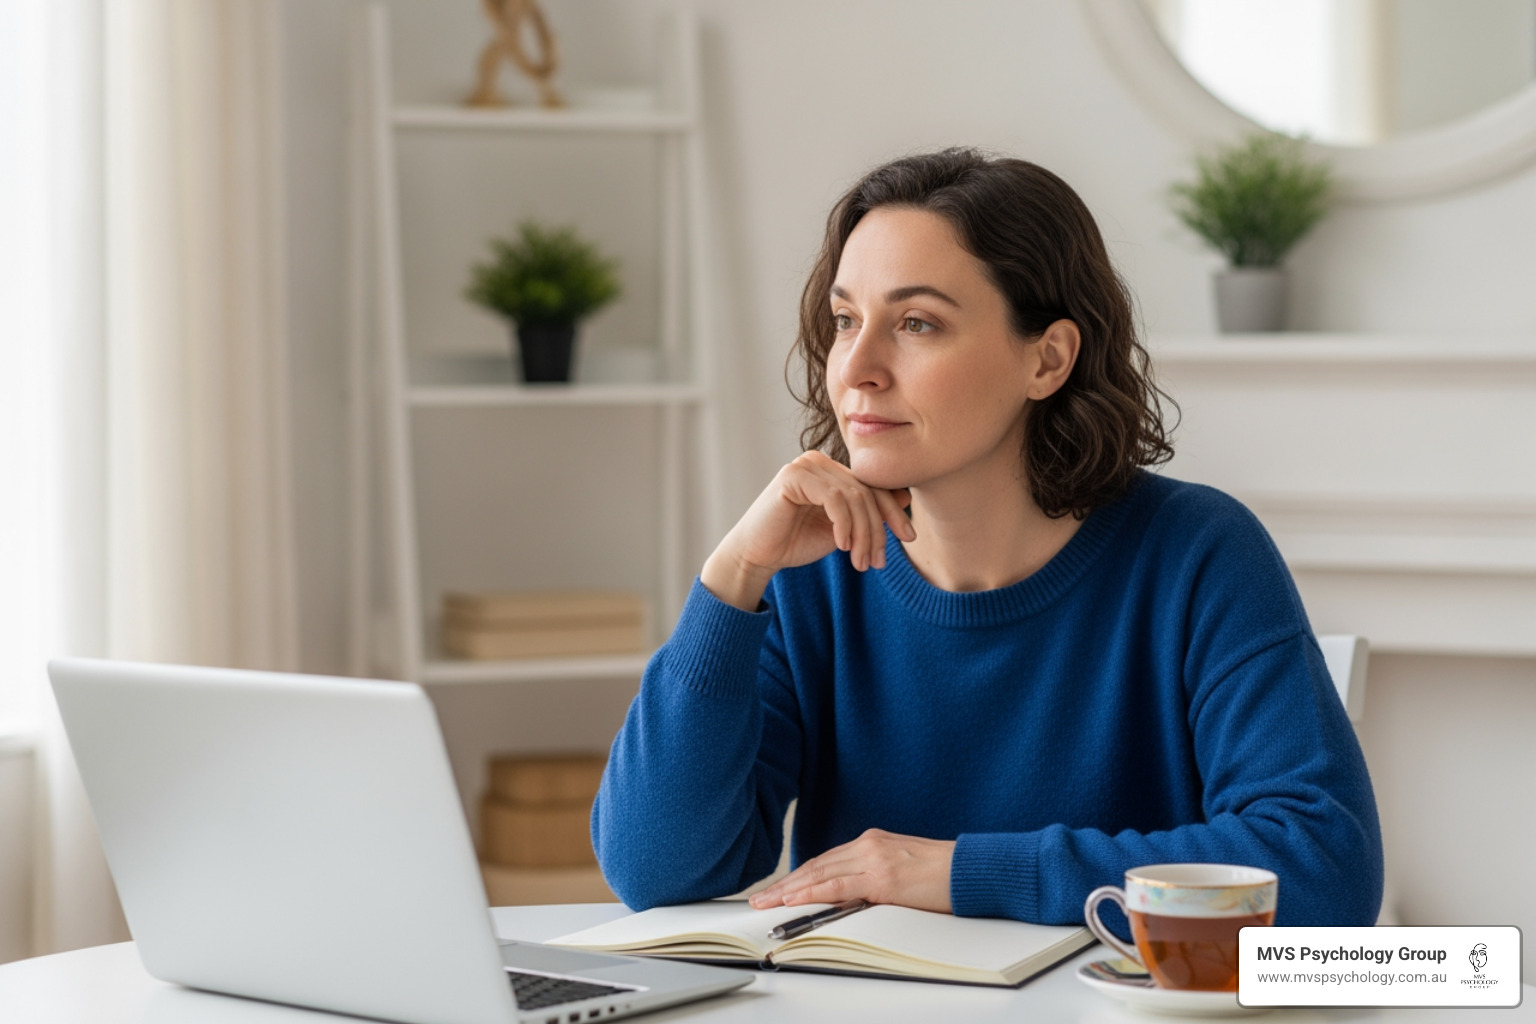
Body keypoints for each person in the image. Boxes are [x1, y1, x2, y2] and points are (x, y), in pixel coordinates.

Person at [592, 148, 1383, 933]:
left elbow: (1322, 868)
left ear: (1047, 359)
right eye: (844, 320)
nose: (857, 368)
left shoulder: (1197, 553)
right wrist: (733, 577)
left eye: (916, 323)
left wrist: (961, 870)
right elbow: (657, 870)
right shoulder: (814, 571)